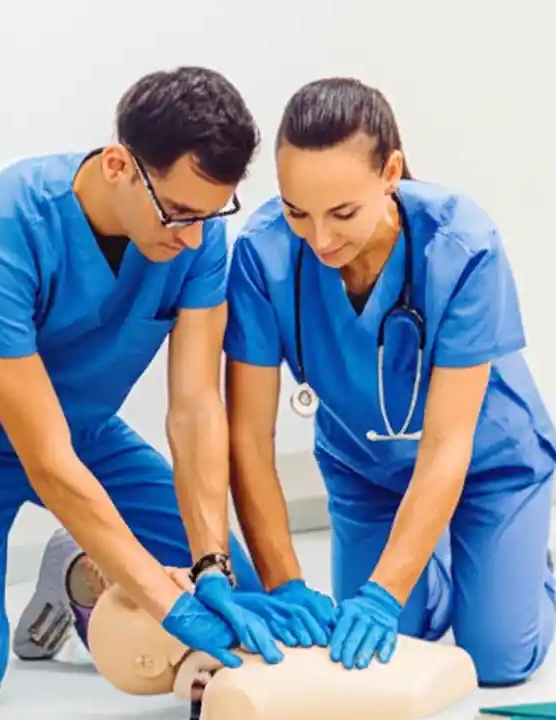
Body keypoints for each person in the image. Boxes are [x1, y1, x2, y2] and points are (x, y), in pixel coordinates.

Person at [0, 67, 325, 713]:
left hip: (87, 437)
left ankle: (82, 576)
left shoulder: (198, 233)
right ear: (118, 165)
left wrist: (211, 564)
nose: (194, 236)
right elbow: (46, 460)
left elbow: (194, 410)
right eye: (179, 213)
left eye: (211, 212)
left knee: (245, 603)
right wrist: (168, 601)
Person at [224, 77, 556, 686]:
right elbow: (247, 439)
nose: (319, 239)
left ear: (391, 172)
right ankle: (430, 569)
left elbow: (448, 443)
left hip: (487, 464)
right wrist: (285, 583)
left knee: (497, 660)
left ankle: (509, 558)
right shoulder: (262, 254)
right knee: (386, 651)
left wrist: (383, 591)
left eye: (342, 212)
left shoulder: (462, 247)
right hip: (365, 470)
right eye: (298, 211)